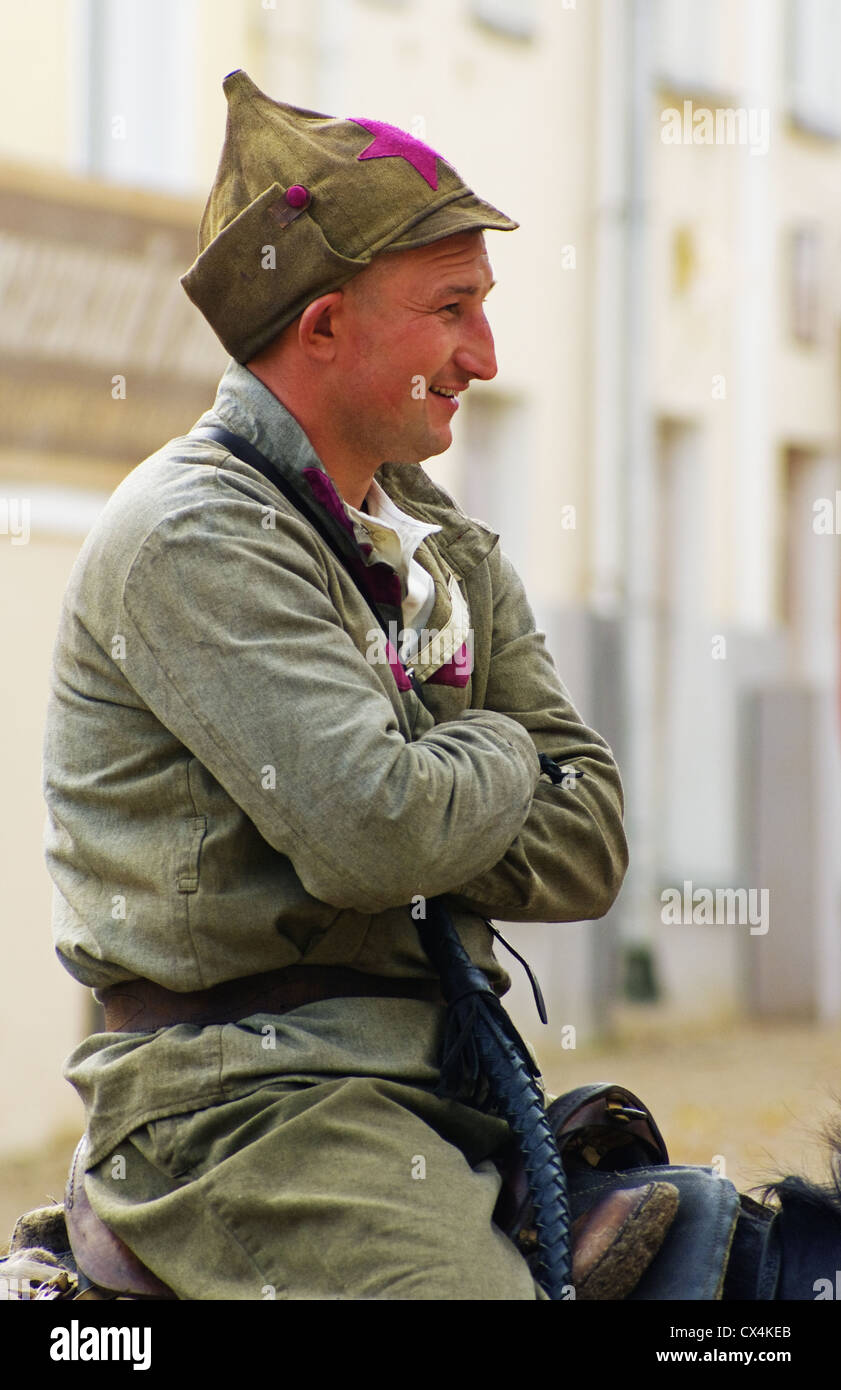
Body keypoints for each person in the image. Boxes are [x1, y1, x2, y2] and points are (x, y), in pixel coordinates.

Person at [42, 70, 629, 1300]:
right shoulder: (192, 537)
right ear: (322, 328)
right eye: (450, 308)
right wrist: (501, 754)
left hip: (441, 1078)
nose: (484, 353)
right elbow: (372, 831)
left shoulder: (441, 541)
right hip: (247, 1112)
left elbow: (593, 845)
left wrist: (427, 787)